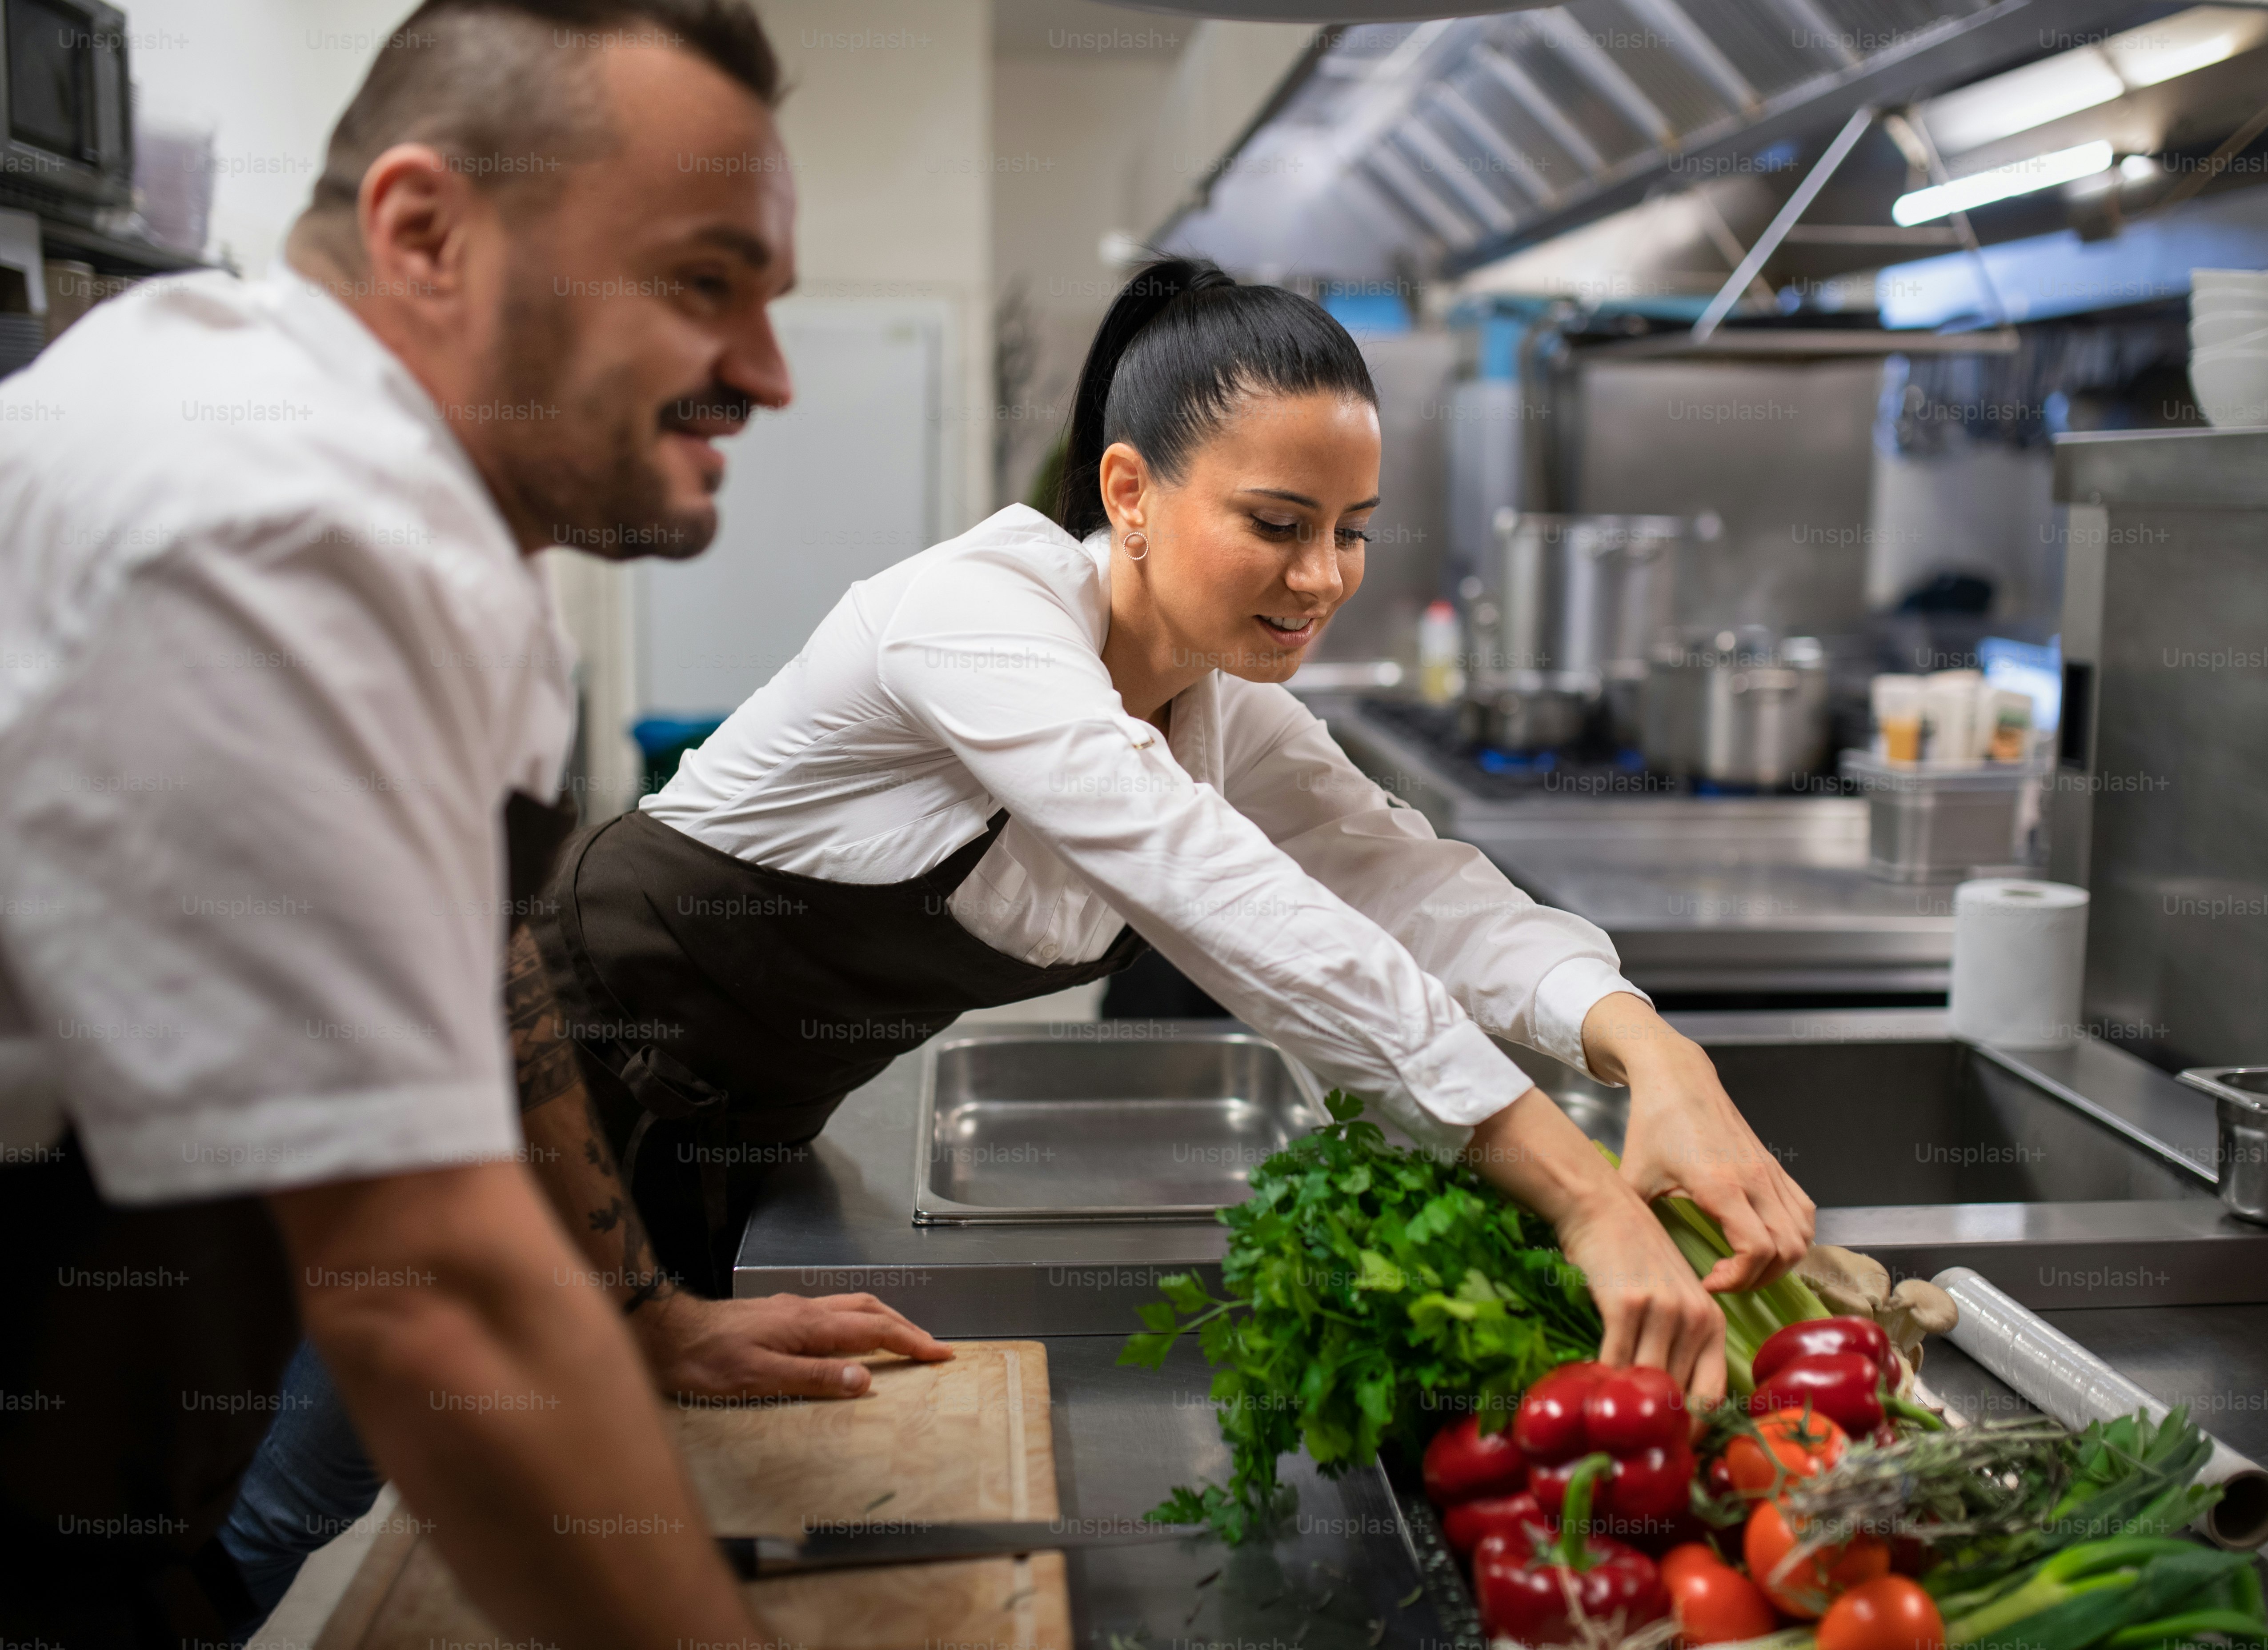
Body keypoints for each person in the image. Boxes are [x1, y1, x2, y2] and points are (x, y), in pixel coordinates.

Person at [0, 3, 927, 1643]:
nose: (768, 376)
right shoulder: (270, 522)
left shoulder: (396, 516)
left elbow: (485, 982)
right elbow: (436, 1294)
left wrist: (636, 1311)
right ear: (425, 232)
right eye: (704, 283)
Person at [505, 256, 1818, 1392]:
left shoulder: (1216, 702)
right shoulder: (979, 618)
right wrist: (1584, 1199)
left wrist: (1654, 1053)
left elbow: (1408, 884)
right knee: (329, 1485)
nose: (1322, 580)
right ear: (1129, 494)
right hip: (551, 1095)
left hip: (743, 1137)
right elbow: (1228, 899)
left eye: (1352, 533)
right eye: (1277, 525)